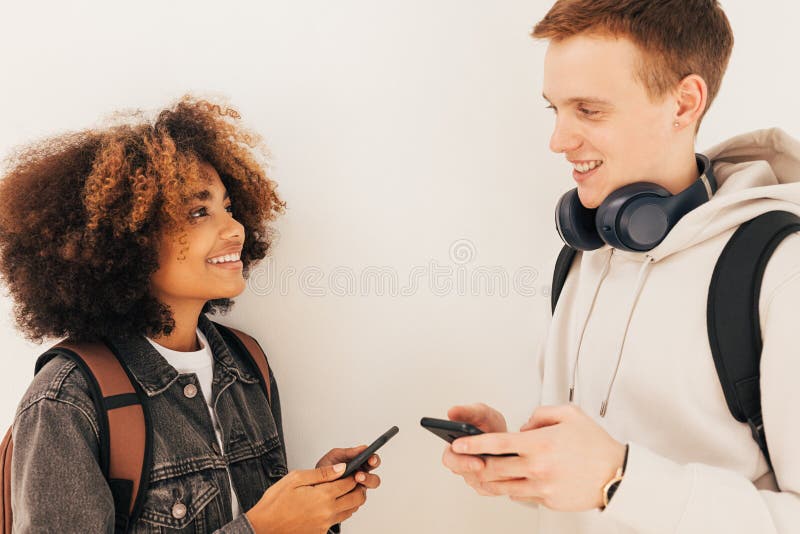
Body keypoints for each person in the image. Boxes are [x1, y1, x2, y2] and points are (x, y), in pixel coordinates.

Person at [441, 1, 800, 532]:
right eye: (555, 109)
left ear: (683, 103)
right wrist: (528, 464)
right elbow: (597, 487)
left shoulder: (779, 269)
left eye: (588, 110)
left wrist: (619, 478)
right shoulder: (588, 250)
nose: (558, 140)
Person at [0, 97, 381, 533]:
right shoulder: (67, 400)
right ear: (130, 240)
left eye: (228, 207)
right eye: (199, 212)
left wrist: (310, 510)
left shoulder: (246, 363)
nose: (234, 228)